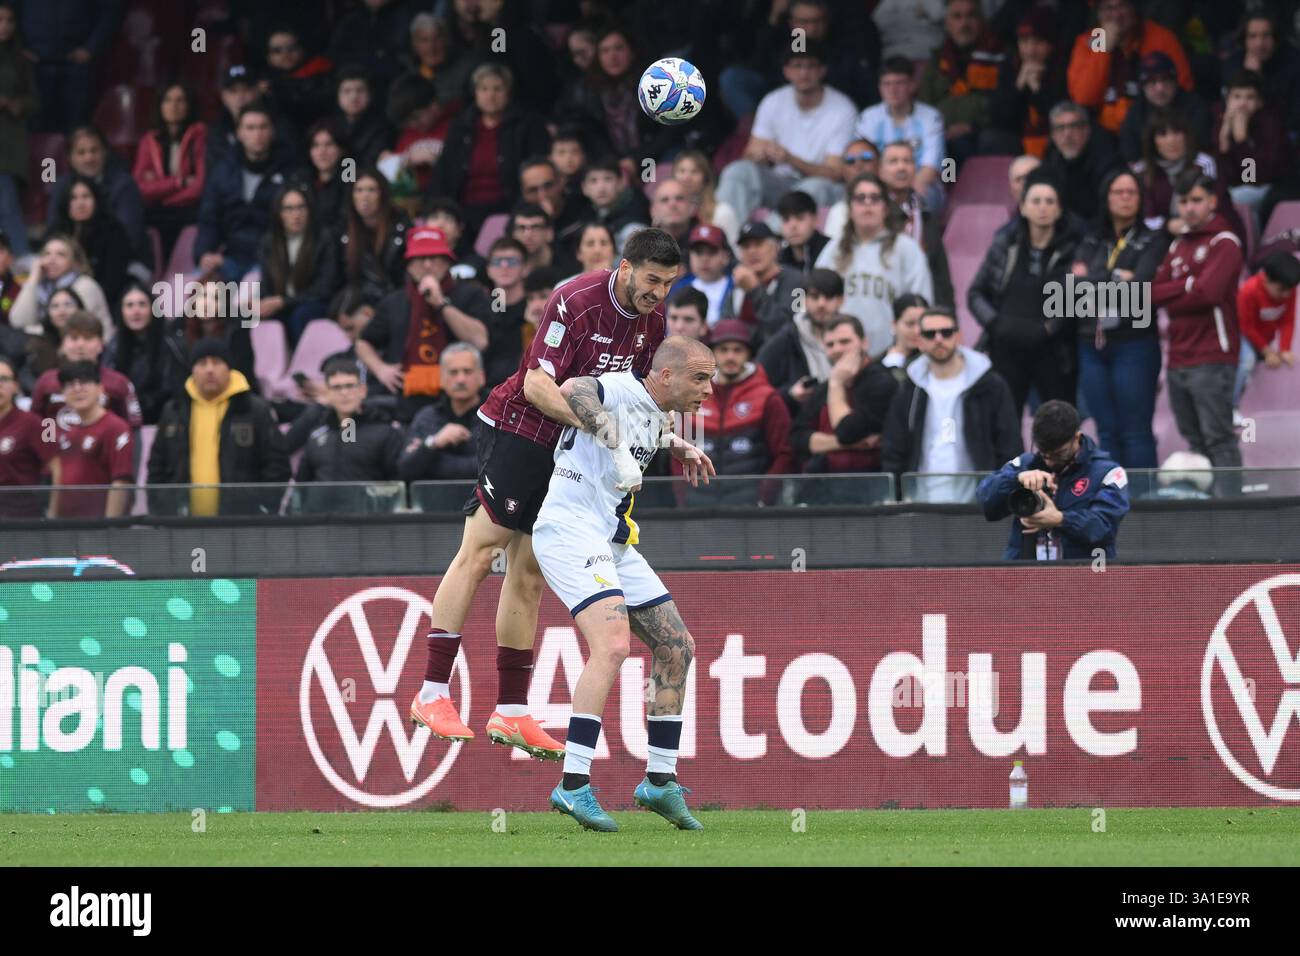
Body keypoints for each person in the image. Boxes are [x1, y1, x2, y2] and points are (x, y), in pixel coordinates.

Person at [409, 229, 713, 762]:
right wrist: (603, 432)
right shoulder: (574, 299)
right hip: (521, 430)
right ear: (624, 267)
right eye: (651, 280)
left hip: (567, 451)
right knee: (481, 552)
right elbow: (536, 385)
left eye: (668, 284)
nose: (658, 293)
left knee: (528, 574)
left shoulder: (654, 324)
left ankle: (512, 710)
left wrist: (672, 440)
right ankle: (432, 691)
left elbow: (639, 401)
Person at [535, 336, 715, 832]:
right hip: (570, 530)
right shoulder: (618, 387)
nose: (709, 389)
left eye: (712, 378)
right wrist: (615, 444)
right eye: (700, 377)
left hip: (612, 541)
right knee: (612, 647)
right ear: (666, 375)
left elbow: (644, 429)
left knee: (676, 645)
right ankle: (572, 787)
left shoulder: (659, 413)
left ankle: (659, 782)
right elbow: (574, 390)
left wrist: (676, 444)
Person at [1071, 169, 1167, 471]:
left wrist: (1093, 281)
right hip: (1091, 344)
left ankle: (1145, 506)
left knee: (1135, 429)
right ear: (1106, 197)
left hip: (1134, 343)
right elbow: (1072, 291)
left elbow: (1139, 292)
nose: (1125, 198)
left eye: (1132, 192)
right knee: (1106, 430)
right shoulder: (1091, 239)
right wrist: (1117, 278)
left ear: (1140, 199)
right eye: (1118, 192)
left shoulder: (1153, 240)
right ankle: (1110, 504)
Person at [1151, 171, 1243, 475]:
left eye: (1197, 200)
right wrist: (1189, 284)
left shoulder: (1225, 242)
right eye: (1184, 201)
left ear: (1213, 202)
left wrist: (1183, 289)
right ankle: (1209, 517)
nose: (1190, 208)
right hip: (1178, 357)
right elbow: (1153, 294)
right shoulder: (1178, 245)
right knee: (1195, 442)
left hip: (1212, 355)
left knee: (1218, 439)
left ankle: (1236, 514)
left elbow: (1209, 293)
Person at [969, 170, 1082, 417]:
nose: (1042, 208)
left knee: (1060, 424)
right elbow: (975, 293)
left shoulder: (1074, 250)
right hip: (1005, 347)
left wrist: (1050, 328)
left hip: (1054, 352)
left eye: (1050, 201)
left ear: (1059, 209)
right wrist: (996, 324)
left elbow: (1078, 300)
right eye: (1036, 201)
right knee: (1003, 424)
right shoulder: (1005, 244)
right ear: (1022, 207)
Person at [882, 308, 1021, 503]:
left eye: (946, 332)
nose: (939, 339)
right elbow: (894, 447)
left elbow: (1009, 444)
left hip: (978, 503)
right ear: (919, 341)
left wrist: (1001, 495)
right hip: (920, 501)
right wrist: (897, 496)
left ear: (958, 336)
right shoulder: (909, 388)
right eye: (930, 334)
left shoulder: (990, 385)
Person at [355, 225, 490, 423]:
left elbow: (480, 341)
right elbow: (363, 343)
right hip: (407, 399)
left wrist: (441, 303)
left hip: (462, 401)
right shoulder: (394, 301)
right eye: (420, 259)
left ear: (447, 262)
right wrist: (381, 369)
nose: (427, 265)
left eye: (435, 259)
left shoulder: (470, 294)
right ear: (409, 265)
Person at [147, 337, 290, 517]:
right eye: (202, 363)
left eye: (216, 362)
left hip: (242, 523)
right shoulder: (174, 410)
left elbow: (277, 465)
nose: (209, 369)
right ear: (192, 370)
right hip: (181, 524)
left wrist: (262, 508)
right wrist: (161, 509)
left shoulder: (254, 410)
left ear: (229, 368)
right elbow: (157, 466)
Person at [716, 42, 856, 226]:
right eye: (797, 66)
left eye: (810, 66)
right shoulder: (773, 101)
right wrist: (761, 155)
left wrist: (790, 159)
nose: (804, 73)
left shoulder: (843, 108)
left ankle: (768, 239)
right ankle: (725, 239)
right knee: (738, 171)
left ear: (822, 70)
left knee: (812, 188)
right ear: (786, 71)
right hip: (778, 182)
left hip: (819, 187)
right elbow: (749, 155)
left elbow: (835, 174)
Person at [977, 399, 1129, 560]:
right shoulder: (1025, 464)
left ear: (1077, 437)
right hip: (1025, 572)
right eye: (1044, 453)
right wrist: (1016, 479)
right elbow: (985, 500)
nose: (1049, 461)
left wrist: (1060, 519)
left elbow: (1104, 528)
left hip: (1085, 572)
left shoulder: (1108, 473)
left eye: (1058, 454)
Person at [674, 319, 793, 505]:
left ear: (749, 354)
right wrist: (683, 497)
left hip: (750, 511)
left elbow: (785, 454)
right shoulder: (692, 396)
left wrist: (764, 496)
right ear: (712, 354)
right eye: (723, 350)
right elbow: (679, 450)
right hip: (697, 508)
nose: (730, 356)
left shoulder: (768, 398)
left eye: (737, 350)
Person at [428, 63, 550, 244]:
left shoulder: (527, 124)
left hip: (509, 209)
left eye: (497, 89)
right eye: (484, 89)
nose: (490, 95)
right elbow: (444, 170)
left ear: (508, 92)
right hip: (464, 211)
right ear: (475, 93)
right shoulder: (461, 127)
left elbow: (535, 169)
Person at [816, 173, 933, 359]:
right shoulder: (833, 250)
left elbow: (922, 306)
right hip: (840, 355)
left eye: (875, 198)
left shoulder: (907, 249)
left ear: (885, 208)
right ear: (850, 209)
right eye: (860, 198)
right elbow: (814, 300)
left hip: (891, 357)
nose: (868, 203)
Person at [196, 103, 295, 283]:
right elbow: (209, 219)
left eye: (263, 127)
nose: (257, 134)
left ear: (272, 131)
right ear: (239, 133)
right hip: (231, 258)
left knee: (249, 296)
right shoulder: (223, 171)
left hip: (275, 260)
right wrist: (204, 254)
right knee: (196, 294)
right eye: (250, 128)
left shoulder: (290, 171)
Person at [791, 314, 898, 480]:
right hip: (823, 486)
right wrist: (845, 444)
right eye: (830, 345)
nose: (837, 349)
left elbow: (847, 431)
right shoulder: (823, 388)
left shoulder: (882, 382)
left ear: (864, 343)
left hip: (872, 485)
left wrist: (837, 383)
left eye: (845, 342)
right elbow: (798, 439)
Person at [293, 356, 403, 512]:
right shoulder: (316, 436)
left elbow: (398, 483)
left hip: (369, 526)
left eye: (350, 386)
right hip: (322, 526)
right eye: (336, 387)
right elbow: (302, 486)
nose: (344, 393)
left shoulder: (386, 433)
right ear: (327, 393)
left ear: (363, 390)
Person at [1066, 0, 1192, 134]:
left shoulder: (1161, 38)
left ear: (1133, 8)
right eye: (1107, 8)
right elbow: (1084, 98)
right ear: (1098, 13)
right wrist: (1103, 49)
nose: (1116, 15)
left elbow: (1183, 90)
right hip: (1103, 134)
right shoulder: (1087, 41)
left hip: (1153, 129)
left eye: (1122, 6)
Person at [1132, 110, 1246, 248]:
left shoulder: (1204, 164)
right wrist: (1167, 225)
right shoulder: (1142, 172)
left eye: (1177, 132)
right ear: (1152, 141)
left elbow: (1217, 207)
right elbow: (1140, 217)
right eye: (1163, 134)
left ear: (1186, 136)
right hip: (1160, 239)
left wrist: (1189, 223)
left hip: (1209, 235)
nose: (1171, 140)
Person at [917, 0, 1011, 166]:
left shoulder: (999, 55)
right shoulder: (938, 60)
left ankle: (986, 190)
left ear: (981, 20)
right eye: (957, 17)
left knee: (989, 141)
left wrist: (972, 126)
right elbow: (925, 106)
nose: (964, 23)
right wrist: (942, 130)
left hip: (982, 134)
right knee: (942, 152)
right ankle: (949, 188)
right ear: (947, 23)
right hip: (947, 137)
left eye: (970, 16)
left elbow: (1007, 106)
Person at [854, 57, 946, 213]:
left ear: (912, 85)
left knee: (918, 200)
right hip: (878, 186)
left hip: (921, 186)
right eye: (887, 84)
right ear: (879, 87)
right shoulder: (868, 118)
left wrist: (903, 195)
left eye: (899, 83)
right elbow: (862, 163)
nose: (893, 89)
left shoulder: (931, 117)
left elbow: (930, 168)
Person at [47, 125, 148, 267]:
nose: (89, 158)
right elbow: (53, 231)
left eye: (94, 151)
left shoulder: (123, 185)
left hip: (125, 262)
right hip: (73, 264)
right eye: (81, 153)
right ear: (70, 158)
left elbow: (129, 239)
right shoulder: (62, 186)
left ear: (105, 152)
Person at [29, 310, 142, 435]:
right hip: (55, 453)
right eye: (74, 338)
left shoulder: (119, 383)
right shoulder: (46, 382)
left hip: (104, 452)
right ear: (63, 344)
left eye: (88, 338)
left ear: (101, 345)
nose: (80, 344)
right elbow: (33, 428)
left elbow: (133, 430)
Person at [133, 80, 207, 262]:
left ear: (189, 105)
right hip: (158, 210)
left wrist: (163, 195)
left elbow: (200, 186)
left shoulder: (200, 135)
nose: (173, 106)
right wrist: (178, 183)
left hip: (189, 209)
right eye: (167, 100)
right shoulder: (149, 140)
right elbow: (140, 187)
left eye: (180, 100)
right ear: (160, 105)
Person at [48, 361, 133, 519]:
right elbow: (58, 482)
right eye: (69, 384)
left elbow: (120, 483)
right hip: (66, 529)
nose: (77, 389)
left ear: (100, 389)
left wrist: (109, 528)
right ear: (63, 394)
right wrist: (51, 520)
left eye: (85, 382)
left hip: (98, 529)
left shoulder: (116, 427)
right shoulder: (68, 434)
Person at [875, 140, 954, 306]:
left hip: (923, 305)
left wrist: (948, 315)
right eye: (893, 161)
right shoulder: (874, 213)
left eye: (907, 161)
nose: (901, 167)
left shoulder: (924, 212)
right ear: (880, 171)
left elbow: (940, 274)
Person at [20, 0, 117, 133]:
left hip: (77, 65)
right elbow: (8, 11)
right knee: (35, 127)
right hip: (33, 66)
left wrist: (90, 48)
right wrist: (20, 48)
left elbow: (109, 12)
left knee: (77, 127)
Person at [258, 185, 337, 347]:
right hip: (280, 304)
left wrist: (283, 301)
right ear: (279, 213)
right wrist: (262, 303)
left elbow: (324, 288)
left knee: (301, 316)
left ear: (309, 210)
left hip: (313, 302)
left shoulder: (323, 239)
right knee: (246, 317)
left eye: (301, 207)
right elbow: (265, 284)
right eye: (289, 209)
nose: (296, 214)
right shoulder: (270, 242)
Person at [1213, 70, 1291, 233]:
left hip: (1268, 188)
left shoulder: (1270, 124)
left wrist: (1242, 140)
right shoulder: (1220, 123)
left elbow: (1252, 178)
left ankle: (1249, 250)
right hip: (1235, 188)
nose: (1242, 103)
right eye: (1237, 97)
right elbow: (1221, 176)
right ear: (1227, 100)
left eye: (1249, 97)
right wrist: (1224, 141)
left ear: (1259, 102)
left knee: (1239, 199)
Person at [757, 267, 842, 414]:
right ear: (804, 299)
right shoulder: (786, 339)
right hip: (799, 425)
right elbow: (757, 389)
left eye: (828, 297)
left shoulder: (851, 336)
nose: (821, 304)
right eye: (815, 297)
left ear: (841, 300)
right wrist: (790, 395)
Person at [397, 342, 486, 481]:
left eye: (467, 371)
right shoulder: (427, 417)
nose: (461, 379)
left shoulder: (495, 417)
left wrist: (431, 460)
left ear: (481, 377)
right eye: (453, 372)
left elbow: (493, 470)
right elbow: (405, 469)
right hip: (433, 501)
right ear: (442, 379)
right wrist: (434, 442)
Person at [990, 7, 1069, 160]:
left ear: (1051, 44)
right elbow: (999, 120)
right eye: (1024, 42)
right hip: (1017, 142)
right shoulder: (1010, 66)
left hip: (1056, 140)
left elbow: (1062, 115)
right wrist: (1019, 86)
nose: (1030, 51)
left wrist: (1037, 88)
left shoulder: (1063, 67)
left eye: (1038, 42)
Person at [104, 282, 185, 426]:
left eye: (142, 304)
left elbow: (172, 393)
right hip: (123, 422)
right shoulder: (114, 346)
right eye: (129, 305)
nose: (136, 311)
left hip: (162, 422)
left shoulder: (170, 344)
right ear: (121, 312)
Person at [8, 234, 111, 340]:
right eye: (46, 254)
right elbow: (19, 322)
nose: (51, 259)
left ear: (75, 262)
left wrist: (29, 331)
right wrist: (33, 278)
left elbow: (70, 326)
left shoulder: (85, 285)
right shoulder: (41, 287)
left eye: (61, 254)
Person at [1234, 251, 1299, 416]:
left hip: (1265, 335)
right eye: (1281, 290)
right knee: (1246, 362)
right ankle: (1231, 405)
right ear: (1265, 279)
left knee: (1283, 361)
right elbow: (1246, 326)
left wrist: (1285, 348)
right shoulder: (1248, 291)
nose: (1286, 295)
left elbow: (1287, 321)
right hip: (1244, 335)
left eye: (1290, 290)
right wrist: (1267, 351)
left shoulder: (1288, 290)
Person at [1117, 51, 1211, 165]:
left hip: (1191, 168)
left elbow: (1201, 144)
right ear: (1142, 87)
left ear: (1175, 82)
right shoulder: (1136, 111)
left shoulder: (1194, 105)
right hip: (1151, 174)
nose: (1160, 88)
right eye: (1151, 81)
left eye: (1165, 79)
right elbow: (1130, 153)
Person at [51, 174, 130, 307]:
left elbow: (113, 283)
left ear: (96, 200)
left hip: (98, 301)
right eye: (73, 198)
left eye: (86, 196)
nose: (80, 203)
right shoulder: (57, 231)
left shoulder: (113, 233)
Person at [334, 169, 411, 303]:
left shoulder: (402, 228)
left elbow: (403, 280)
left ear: (382, 194)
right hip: (356, 302)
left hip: (394, 302)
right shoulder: (342, 230)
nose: (365, 196)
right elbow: (340, 280)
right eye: (359, 190)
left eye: (371, 190)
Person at [1222, 9, 1300, 141]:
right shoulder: (1233, 64)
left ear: (1275, 37)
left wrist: (1257, 78)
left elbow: (1293, 113)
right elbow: (1229, 104)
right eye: (1253, 36)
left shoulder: (1293, 61)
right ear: (1244, 39)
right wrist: (1248, 75)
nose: (1260, 43)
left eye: (1266, 35)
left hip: (1285, 133)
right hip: (1244, 129)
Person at [1040, 101, 1123, 222]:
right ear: (1053, 136)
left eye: (1074, 126)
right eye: (1060, 128)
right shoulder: (1049, 166)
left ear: (1086, 130)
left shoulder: (1107, 163)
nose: (1067, 134)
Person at [0, 353, 59, 517]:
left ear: (16, 386)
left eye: (4, 379)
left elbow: (56, 467)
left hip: (21, 517)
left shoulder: (34, 423)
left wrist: (54, 513)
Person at [0, 3, 36, 257]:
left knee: (8, 206)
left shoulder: (21, 59)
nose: (5, 26)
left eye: (10, 20)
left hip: (8, 143)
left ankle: (23, 262)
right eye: (0, 20)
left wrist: (15, 104)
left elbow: (35, 101)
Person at [731, 221, 805, 344]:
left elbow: (791, 327)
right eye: (746, 247)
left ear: (775, 247)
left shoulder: (797, 281)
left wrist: (755, 291)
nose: (752, 251)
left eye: (759, 244)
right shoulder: (739, 284)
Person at [261, 25, 334, 138]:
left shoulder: (321, 75)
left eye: (291, 48)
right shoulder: (264, 84)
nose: (285, 54)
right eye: (277, 50)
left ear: (301, 50)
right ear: (268, 57)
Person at [480, 236, 529, 386]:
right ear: (488, 270)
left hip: (525, 387)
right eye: (497, 261)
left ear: (525, 268)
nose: (504, 266)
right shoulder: (480, 307)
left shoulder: (537, 307)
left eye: (512, 261)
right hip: (486, 390)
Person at [519, 156, 589, 253]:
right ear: (524, 194)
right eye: (533, 190)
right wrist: (546, 221)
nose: (542, 195)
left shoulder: (583, 208)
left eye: (548, 186)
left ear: (560, 182)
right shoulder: (517, 222)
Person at [580, 157, 648, 256]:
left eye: (608, 179)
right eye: (593, 181)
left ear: (621, 183)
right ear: (584, 188)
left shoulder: (635, 219)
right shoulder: (583, 216)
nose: (601, 188)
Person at [673, 150, 740, 249]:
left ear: (705, 178)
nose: (687, 177)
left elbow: (735, 251)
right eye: (682, 171)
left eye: (694, 172)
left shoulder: (722, 212)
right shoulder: (666, 210)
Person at [670, 224, 734, 328]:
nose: (704, 259)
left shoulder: (738, 288)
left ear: (726, 256)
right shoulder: (678, 287)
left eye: (712, 252)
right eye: (698, 252)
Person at [332, 65, 394, 170]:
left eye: (360, 90)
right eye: (347, 91)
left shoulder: (382, 128)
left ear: (370, 95)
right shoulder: (331, 126)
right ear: (338, 97)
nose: (353, 97)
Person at [820, 137, 880, 243]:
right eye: (850, 160)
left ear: (880, 164)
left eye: (866, 158)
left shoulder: (893, 205)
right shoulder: (837, 212)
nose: (858, 165)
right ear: (842, 170)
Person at [297, 118, 351, 236]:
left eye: (329, 144)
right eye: (316, 146)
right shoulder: (300, 179)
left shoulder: (350, 176)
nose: (322, 152)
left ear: (341, 149)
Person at [509, 203, 579, 278]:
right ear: (513, 234)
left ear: (549, 233)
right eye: (521, 228)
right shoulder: (505, 267)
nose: (528, 235)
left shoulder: (570, 268)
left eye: (536, 227)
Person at [776, 190, 829, 276]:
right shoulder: (779, 260)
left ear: (815, 219)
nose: (792, 226)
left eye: (800, 218)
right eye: (786, 220)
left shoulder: (830, 250)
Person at [879, 292, 927, 382]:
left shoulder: (933, 362)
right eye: (910, 324)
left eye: (922, 324)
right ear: (894, 324)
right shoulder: (877, 365)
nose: (917, 331)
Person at [648, 177, 701, 258]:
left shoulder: (708, 240)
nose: (672, 205)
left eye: (679, 198)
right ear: (653, 211)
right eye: (664, 200)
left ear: (692, 207)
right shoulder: (643, 248)